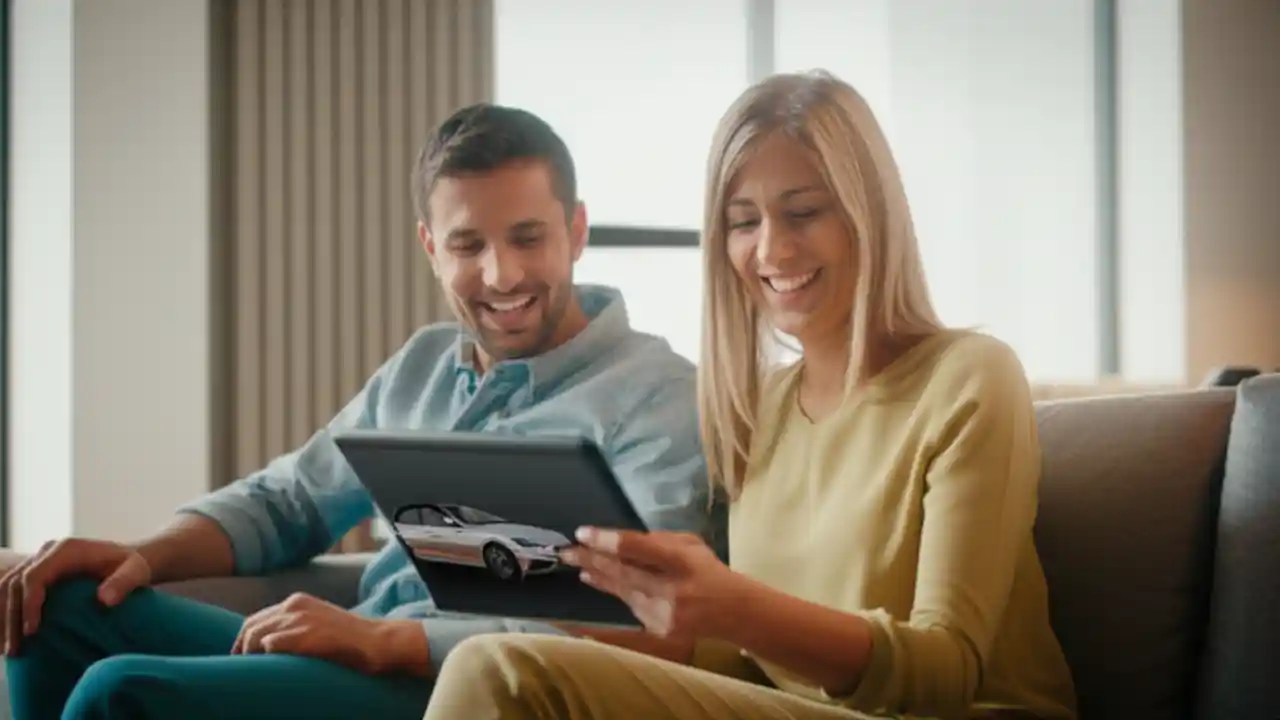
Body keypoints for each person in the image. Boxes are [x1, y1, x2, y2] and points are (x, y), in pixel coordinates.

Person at [2, 104, 718, 720]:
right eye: (468, 244)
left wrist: (392, 643)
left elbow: (654, 633)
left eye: (528, 237)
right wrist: (142, 555)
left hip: (467, 691)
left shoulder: (659, 397)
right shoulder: (423, 367)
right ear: (431, 248)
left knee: (120, 690)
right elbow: (289, 501)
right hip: (351, 656)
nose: (502, 275)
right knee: (52, 609)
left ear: (577, 231)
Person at [422, 71, 1079, 720]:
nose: (771, 249)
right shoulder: (757, 413)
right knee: (498, 654)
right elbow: (749, 669)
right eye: (743, 222)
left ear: (868, 212)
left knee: (495, 669)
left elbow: (946, 673)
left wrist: (735, 606)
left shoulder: (967, 378)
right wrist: (597, 613)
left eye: (803, 213)